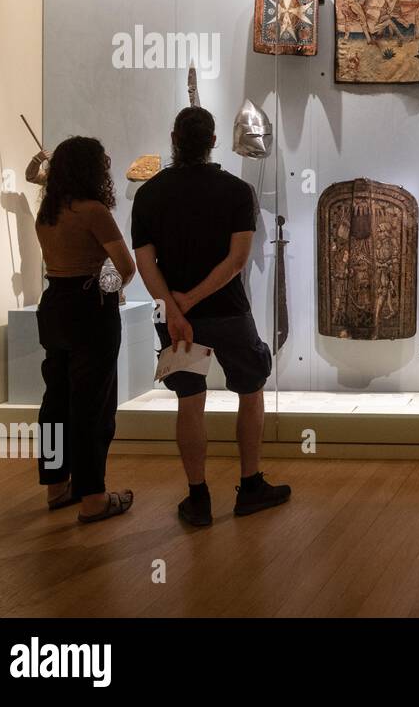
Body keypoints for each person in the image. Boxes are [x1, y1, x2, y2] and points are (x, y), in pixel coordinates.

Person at [131, 107, 290, 527]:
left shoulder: (150, 194)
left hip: (176, 317)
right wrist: (194, 298)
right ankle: (250, 484)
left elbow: (147, 265)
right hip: (227, 311)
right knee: (251, 389)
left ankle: (198, 497)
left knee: (190, 400)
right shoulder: (236, 191)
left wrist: (175, 307)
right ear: (213, 140)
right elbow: (236, 261)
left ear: (174, 139)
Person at [34, 136, 136, 523]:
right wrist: (105, 290)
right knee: (93, 405)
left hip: (54, 303)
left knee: (55, 401)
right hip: (88, 308)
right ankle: (93, 495)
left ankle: (56, 485)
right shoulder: (93, 210)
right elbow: (125, 267)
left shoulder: (48, 210)